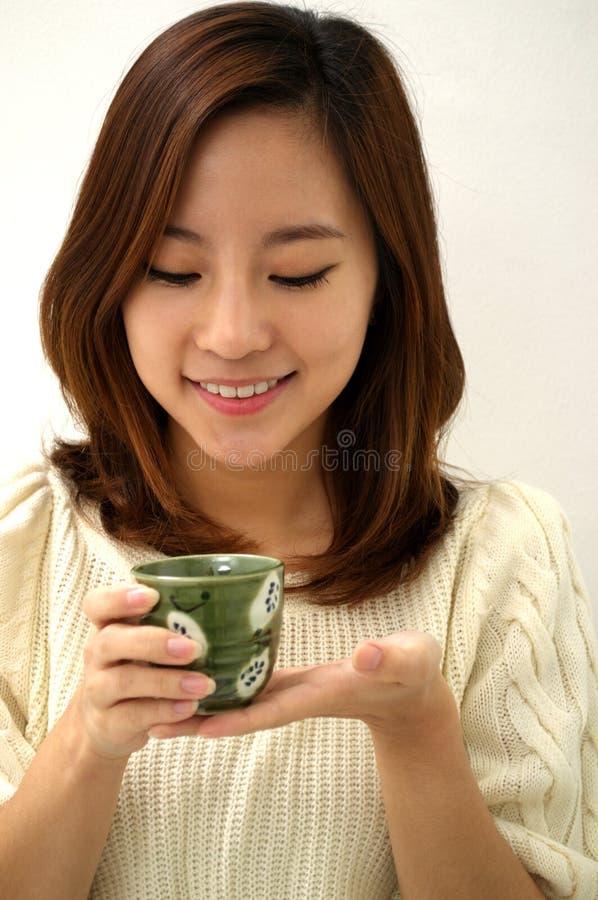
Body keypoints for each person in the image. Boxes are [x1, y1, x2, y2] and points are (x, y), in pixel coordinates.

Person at [1, 3, 596, 898]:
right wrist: (87, 740)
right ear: (110, 281)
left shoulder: (500, 562)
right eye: (172, 271)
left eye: (297, 274)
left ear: (385, 285)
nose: (233, 333)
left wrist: (416, 736)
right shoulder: (28, 547)